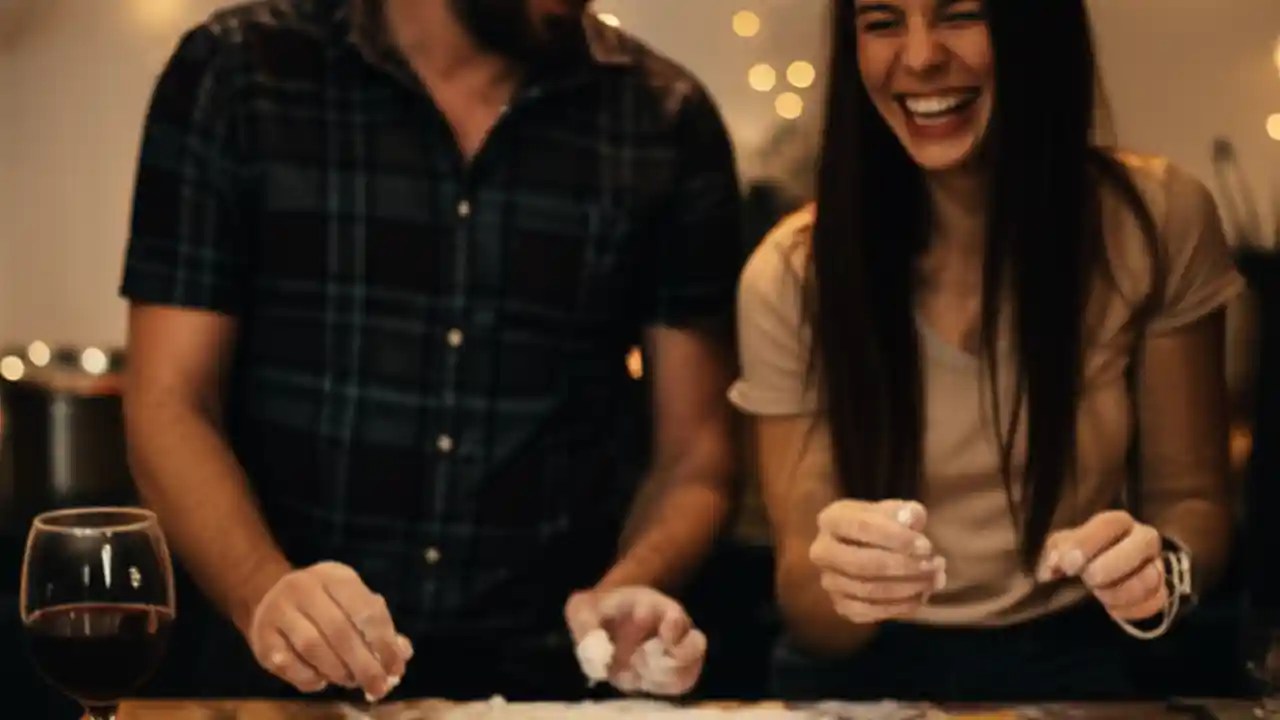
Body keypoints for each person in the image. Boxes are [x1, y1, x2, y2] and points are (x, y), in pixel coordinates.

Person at [120, 0, 741, 702]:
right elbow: (170, 400)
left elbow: (696, 454)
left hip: (545, 687)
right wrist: (264, 590)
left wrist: (631, 587)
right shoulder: (239, 72)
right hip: (272, 685)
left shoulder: (665, 118)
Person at [732, 0, 1243, 702]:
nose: (919, 58)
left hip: (1079, 651)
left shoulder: (1155, 221)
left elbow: (1193, 501)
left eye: (961, 14)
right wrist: (849, 583)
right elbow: (808, 605)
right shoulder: (790, 275)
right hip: (864, 666)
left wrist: (1159, 575)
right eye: (882, 23)